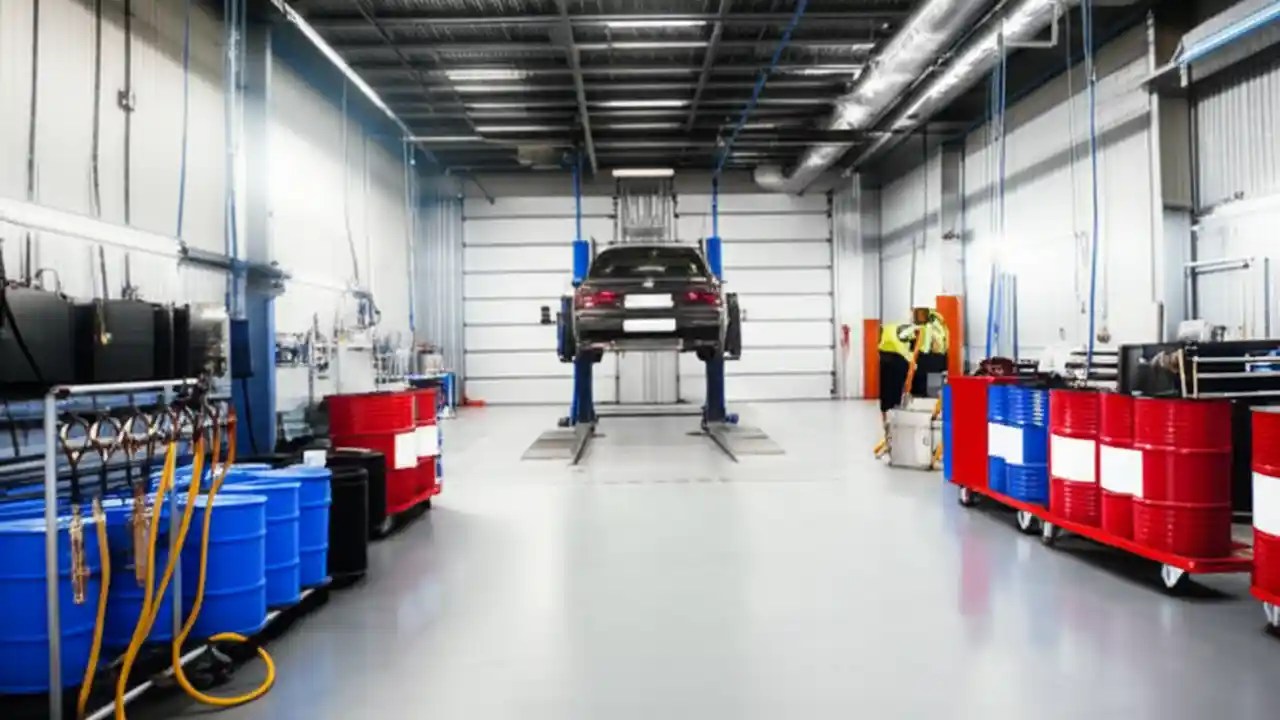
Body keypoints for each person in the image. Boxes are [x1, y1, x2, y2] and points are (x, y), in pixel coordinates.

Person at [878, 308, 949, 421]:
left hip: (923, 360)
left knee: (891, 395)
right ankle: (932, 416)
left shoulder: (922, 327)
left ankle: (889, 420)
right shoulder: (936, 324)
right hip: (928, 361)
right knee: (929, 394)